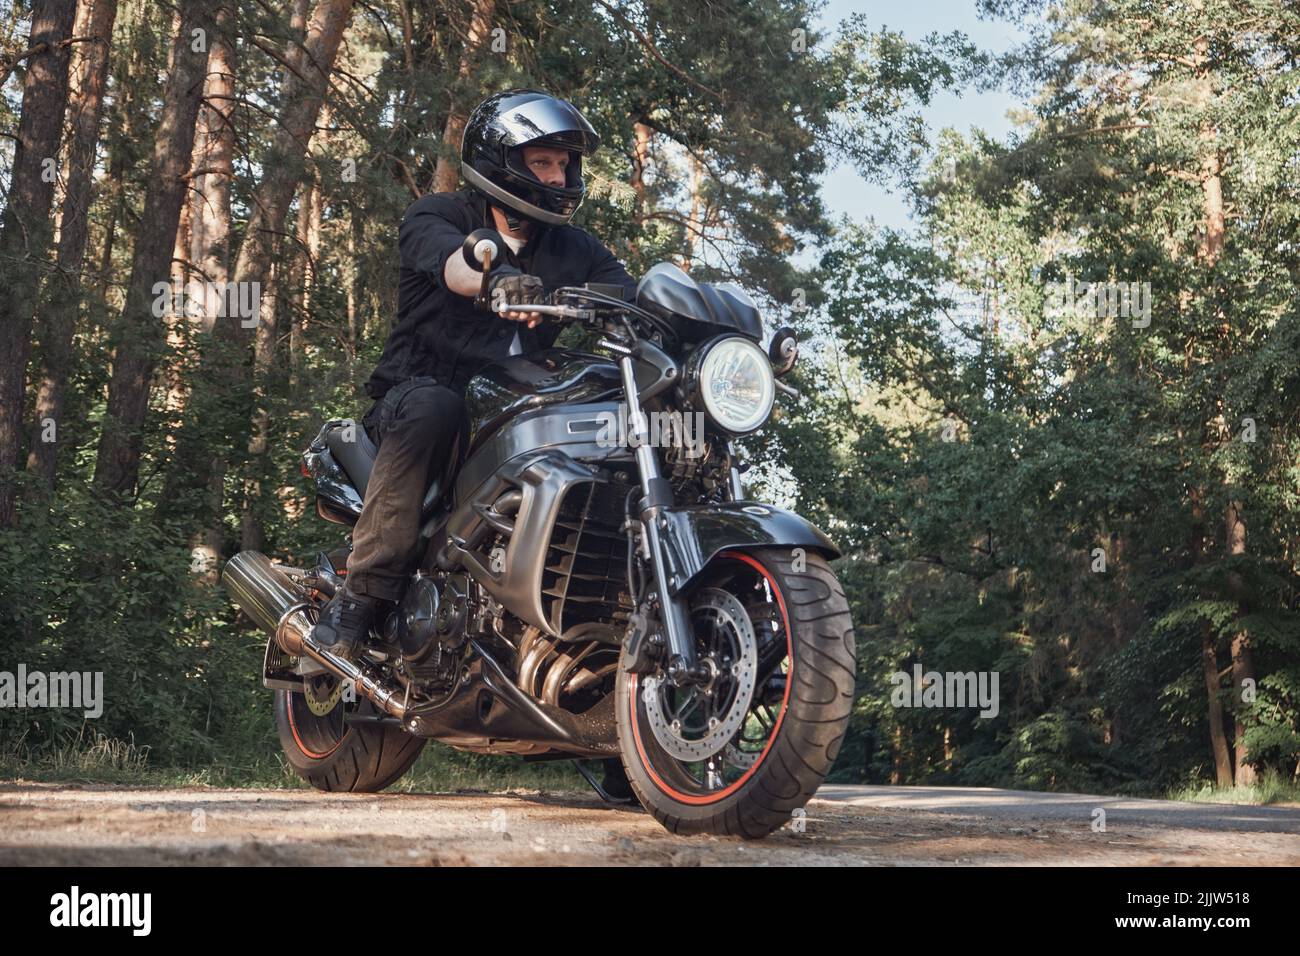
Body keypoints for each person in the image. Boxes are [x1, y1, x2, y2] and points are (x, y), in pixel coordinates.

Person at [313, 89, 639, 659]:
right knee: (437, 405)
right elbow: (457, 261)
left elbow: (634, 297)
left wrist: (698, 324)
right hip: (419, 401)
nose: (559, 177)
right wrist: (493, 279)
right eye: (543, 162)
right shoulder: (438, 215)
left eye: (565, 164)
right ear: (500, 164)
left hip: (506, 411)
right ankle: (360, 596)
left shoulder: (575, 249)